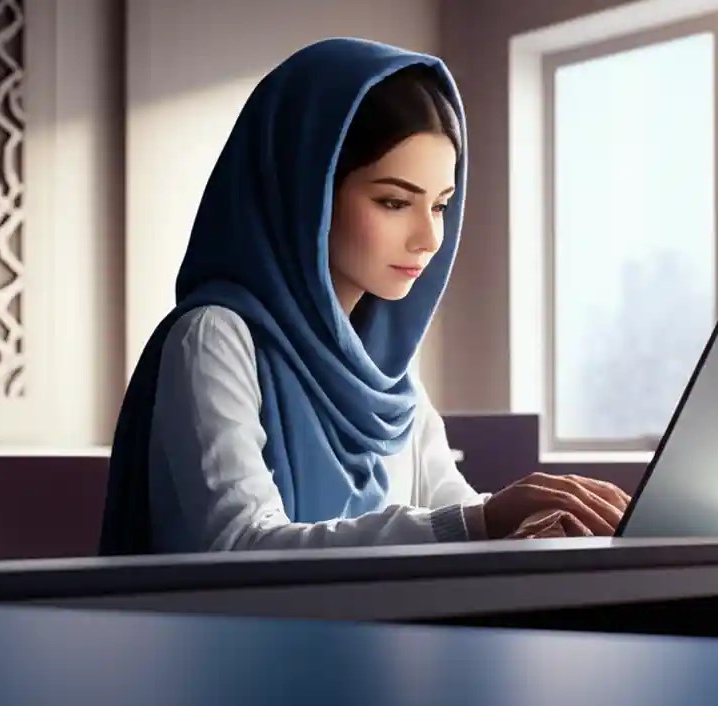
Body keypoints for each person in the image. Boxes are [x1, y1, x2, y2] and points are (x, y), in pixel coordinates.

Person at [100, 37, 630, 555]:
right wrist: (484, 521)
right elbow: (239, 545)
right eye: (395, 201)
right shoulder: (216, 338)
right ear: (308, 191)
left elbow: (453, 512)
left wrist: (544, 519)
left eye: (441, 205)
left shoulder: (387, 375)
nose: (430, 239)